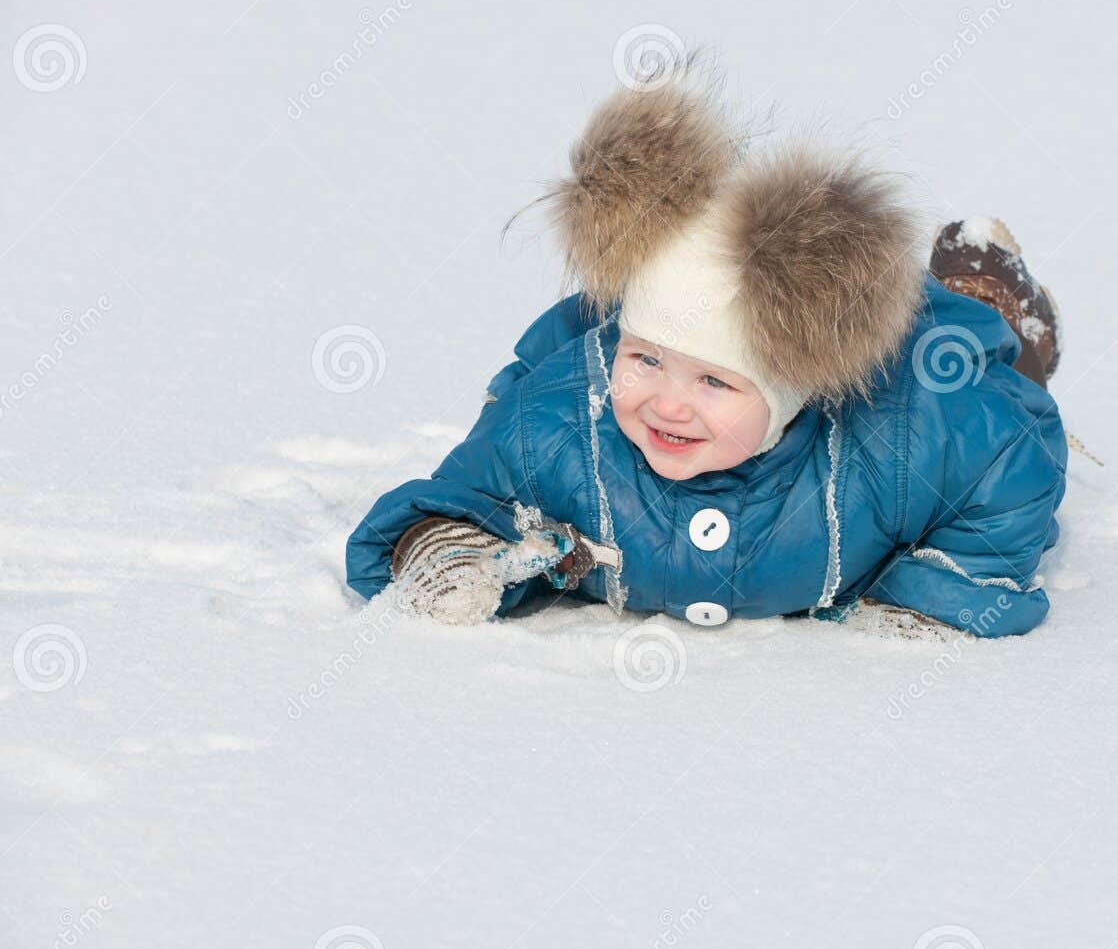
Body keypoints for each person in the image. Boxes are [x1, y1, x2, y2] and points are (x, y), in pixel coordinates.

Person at [346, 75, 1069, 639]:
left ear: (791, 391)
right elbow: (464, 492)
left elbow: (1015, 460)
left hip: (906, 345)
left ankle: (986, 274)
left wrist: (942, 589)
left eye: (717, 381)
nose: (668, 402)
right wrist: (447, 549)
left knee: (978, 341)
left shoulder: (900, 431)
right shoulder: (560, 428)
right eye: (646, 360)